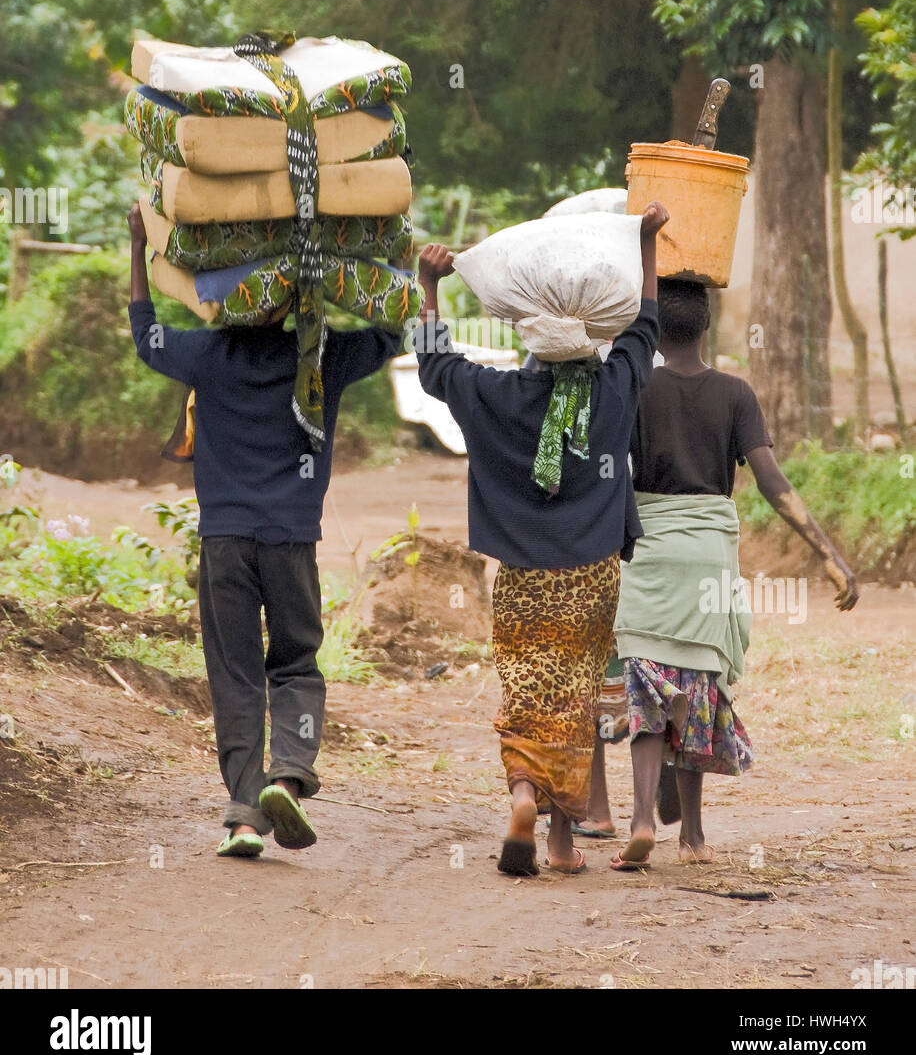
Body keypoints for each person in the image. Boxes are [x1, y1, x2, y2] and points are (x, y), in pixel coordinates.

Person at [127, 203, 402, 858]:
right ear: (288, 300)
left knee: (236, 675)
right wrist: (386, 252)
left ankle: (246, 817)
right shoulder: (321, 356)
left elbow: (146, 336)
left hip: (223, 541)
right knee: (297, 665)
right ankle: (290, 772)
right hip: (290, 541)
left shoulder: (206, 354)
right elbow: (391, 334)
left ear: (226, 301)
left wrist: (138, 248)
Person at [415, 204, 668, 877]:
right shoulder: (614, 388)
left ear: (527, 337)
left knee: (529, 693)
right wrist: (646, 243)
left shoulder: (491, 394)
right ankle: (559, 845)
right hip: (592, 576)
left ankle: (524, 793)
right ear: (587, 339)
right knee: (579, 699)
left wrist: (430, 286)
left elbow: (436, 367)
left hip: (523, 577)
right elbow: (645, 325)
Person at [609, 277, 859, 870]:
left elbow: (609, 471)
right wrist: (827, 553)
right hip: (707, 557)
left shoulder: (635, 385)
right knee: (696, 691)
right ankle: (692, 835)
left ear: (655, 328)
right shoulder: (736, 393)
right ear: (707, 325)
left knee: (646, 686)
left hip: (650, 548)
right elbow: (773, 482)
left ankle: (643, 818)